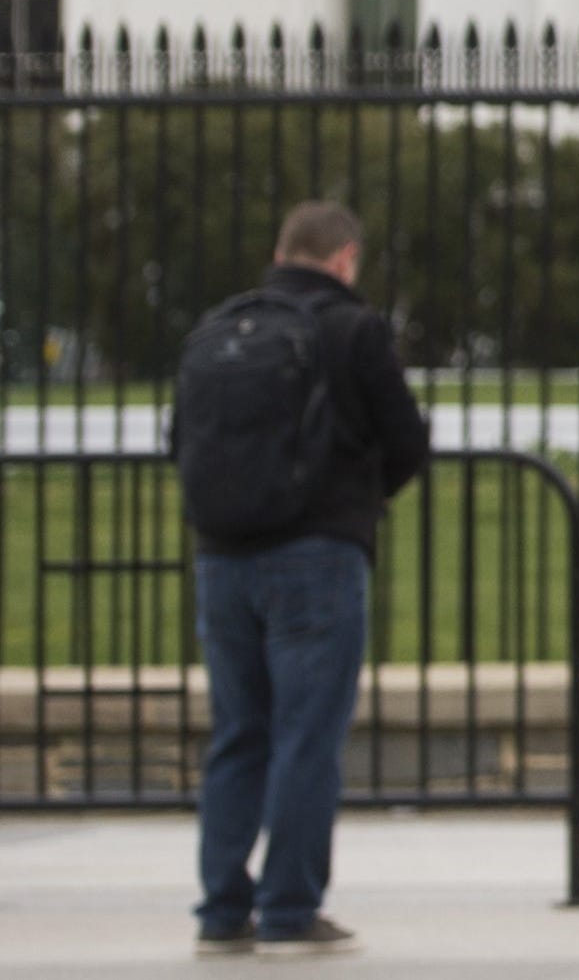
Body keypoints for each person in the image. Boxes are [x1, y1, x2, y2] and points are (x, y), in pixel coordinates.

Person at [183, 199, 430, 958]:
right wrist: (353, 502)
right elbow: (406, 441)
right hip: (318, 555)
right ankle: (289, 906)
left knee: (239, 733)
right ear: (344, 259)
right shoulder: (353, 329)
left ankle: (222, 908)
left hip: (222, 554)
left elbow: (180, 439)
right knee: (306, 736)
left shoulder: (217, 328)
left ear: (281, 251)